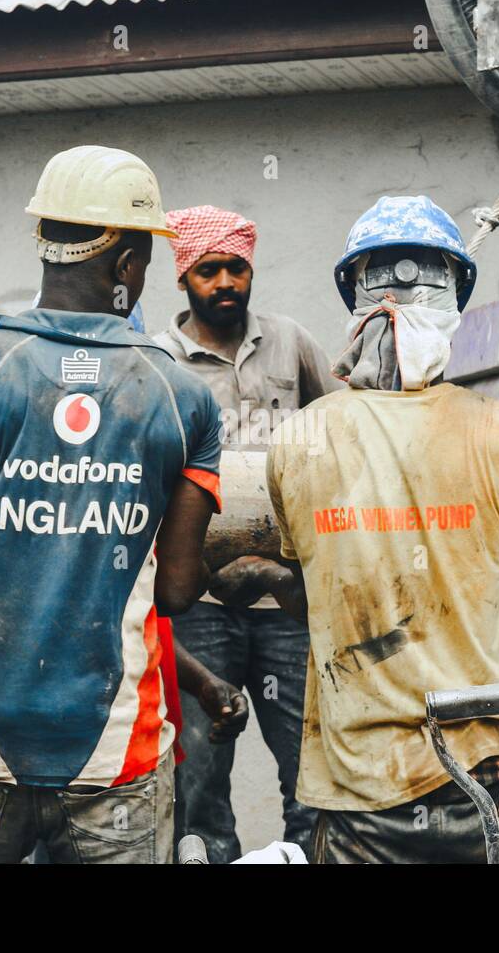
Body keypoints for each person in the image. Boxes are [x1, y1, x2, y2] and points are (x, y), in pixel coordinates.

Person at [211, 195, 499, 863]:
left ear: (354, 301)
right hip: (489, 790)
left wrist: (270, 576)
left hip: (360, 792)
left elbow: (323, 592)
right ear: (454, 305)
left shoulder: (298, 440)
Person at [0, 145, 245, 864]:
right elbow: (175, 590)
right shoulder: (183, 400)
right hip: (119, 753)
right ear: (126, 268)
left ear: (45, 246)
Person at [152, 205, 341, 863]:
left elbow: (345, 426)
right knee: (200, 772)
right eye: (209, 270)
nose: (225, 281)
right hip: (197, 603)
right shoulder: (159, 362)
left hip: (288, 599)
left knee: (312, 766)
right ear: (184, 278)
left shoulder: (290, 343)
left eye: (236, 268)